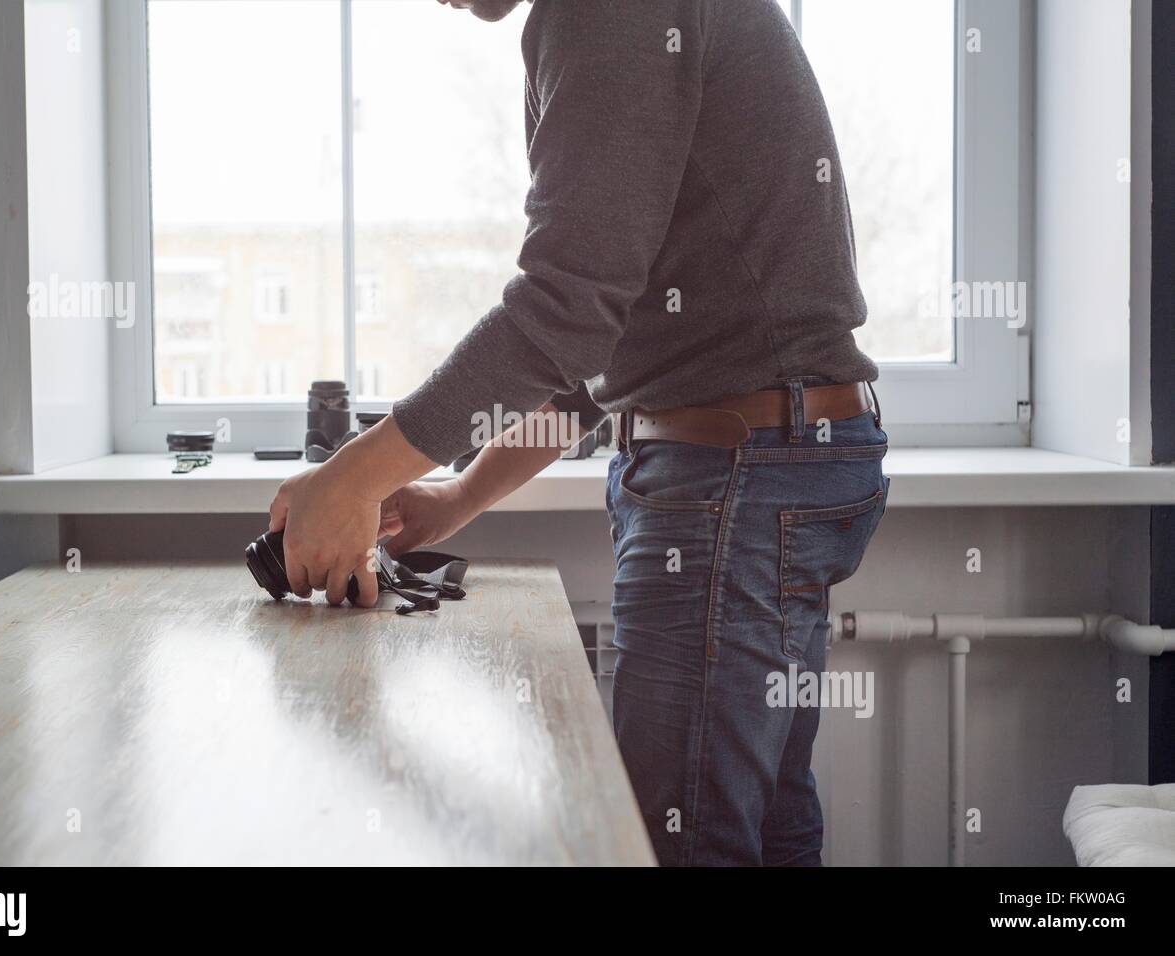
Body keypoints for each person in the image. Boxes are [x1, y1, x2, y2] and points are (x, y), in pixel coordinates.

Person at [268, 0, 889, 866]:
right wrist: (456, 496)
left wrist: (351, 479)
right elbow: (609, 346)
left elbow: (564, 313)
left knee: (682, 844)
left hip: (733, 481)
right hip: (769, 461)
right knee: (763, 829)